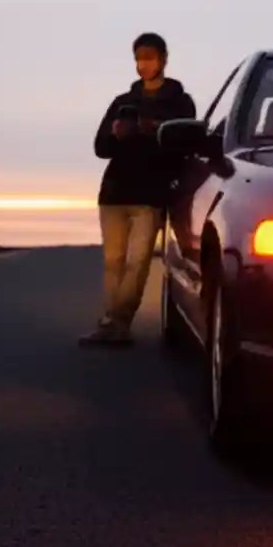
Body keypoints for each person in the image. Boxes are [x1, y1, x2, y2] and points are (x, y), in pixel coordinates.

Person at [80, 32, 196, 346]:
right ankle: (112, 323)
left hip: (151, 195)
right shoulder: (123, 102)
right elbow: (100, 147)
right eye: (139, 58)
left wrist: (152, 129)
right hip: (114, 193)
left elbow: (185, 144)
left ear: (163, 59)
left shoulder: (180, 102)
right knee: (113, 262)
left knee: (138, 262)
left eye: (149, 57)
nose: (143, 64)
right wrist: (116, 135)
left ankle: (118, 321)